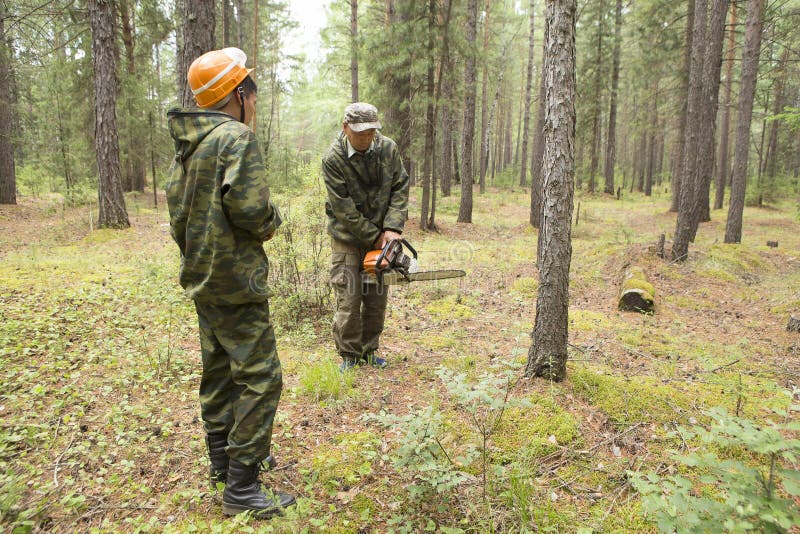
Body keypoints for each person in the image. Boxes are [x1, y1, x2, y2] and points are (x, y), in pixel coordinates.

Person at [165, 47, 295, 518]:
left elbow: (177, 215)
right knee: (261, 376)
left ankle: (224, 465)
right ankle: (242, 486)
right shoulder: (235, 137)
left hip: (203, 277)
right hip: (237, 280)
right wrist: (272, 221)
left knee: (219, 374)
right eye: (252, 94)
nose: (255, 104)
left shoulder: (190, 144)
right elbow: (250, 209)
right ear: (238, 94)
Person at [321, 102, 410, 372]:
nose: (366, 138)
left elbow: (400, 188)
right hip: (346, 236)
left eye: (371, 132)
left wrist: (392, 229)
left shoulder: (388, 149)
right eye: (360, 133)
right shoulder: (333, 159)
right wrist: (376, 238)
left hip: (382, 231)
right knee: (349, 296)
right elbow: (344, 210)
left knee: (375, 296)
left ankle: (369, 350)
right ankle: (350, 355)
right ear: (345, 128)